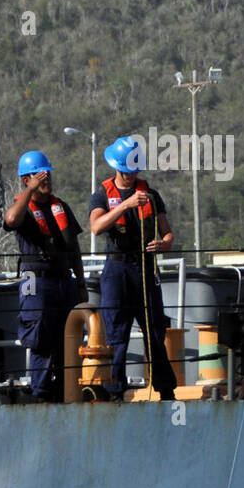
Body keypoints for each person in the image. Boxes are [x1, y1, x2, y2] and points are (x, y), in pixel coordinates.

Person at [88, 136, 176, 402]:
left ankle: (166, 390)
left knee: (154, 331)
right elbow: (96, 226)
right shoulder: (102, 194)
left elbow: (169, 235)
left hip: (145, 269)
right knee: (117, 333)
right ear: (116, 167)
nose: (130, 176)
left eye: (134, 171)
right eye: (126, 171)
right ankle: (115, 392)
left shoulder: (152, 195)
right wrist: (125, 206)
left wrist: (163, 244)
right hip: (116, 270)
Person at [3, 150, 88, 402]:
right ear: (26, 179)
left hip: (64, 281)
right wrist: (30, 191)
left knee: (68, 340)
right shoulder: (23, 208)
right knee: (41, 341)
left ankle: (66, 394)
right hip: (37, 284)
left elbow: (74, 249)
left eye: (47, 174)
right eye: (39, 175)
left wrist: (81, 283)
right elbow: (10, 219)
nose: (45, 178)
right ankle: (41, 396)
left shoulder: (61, 207)